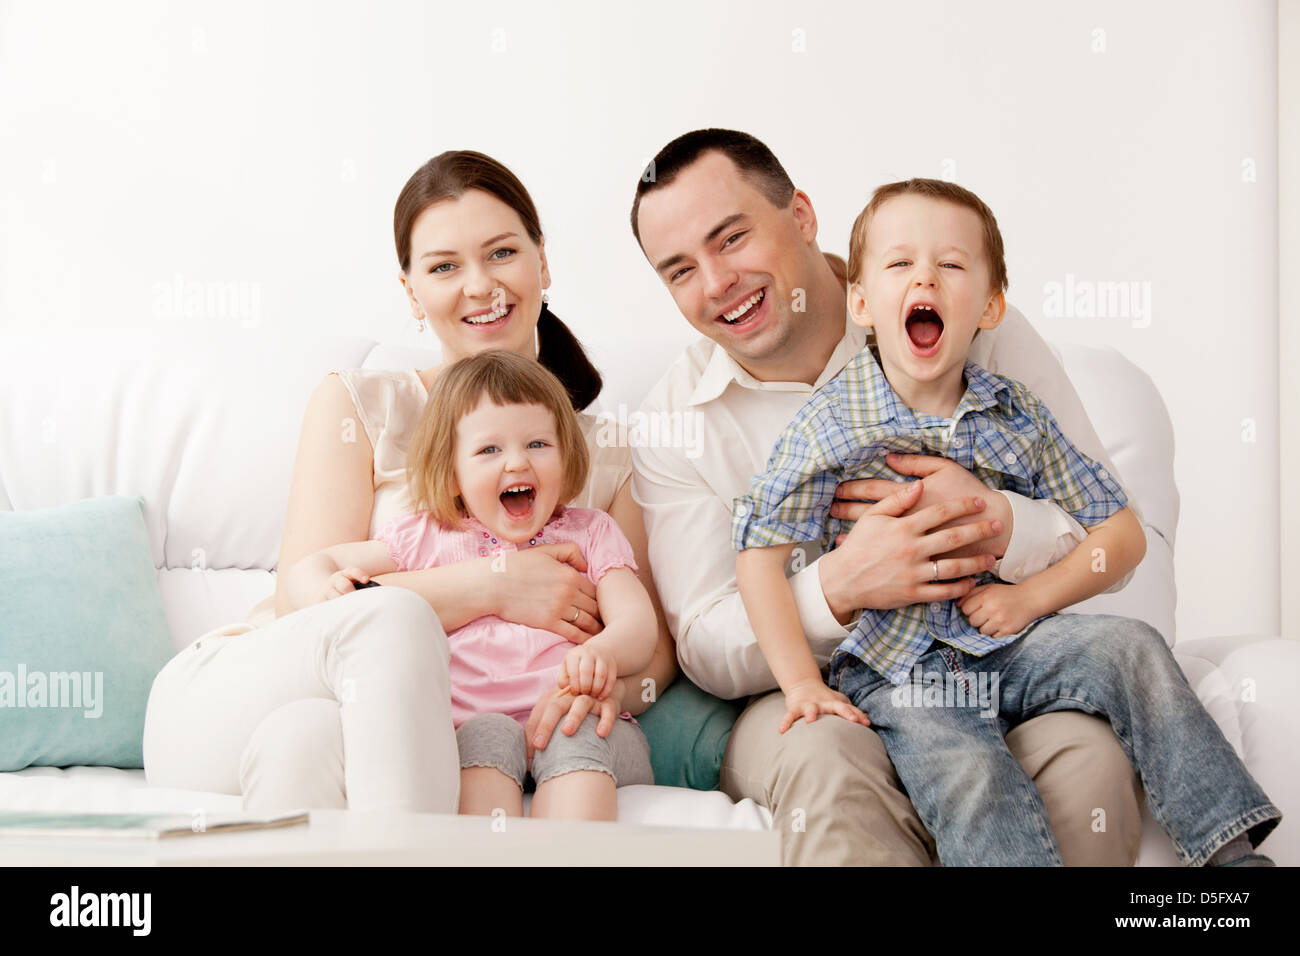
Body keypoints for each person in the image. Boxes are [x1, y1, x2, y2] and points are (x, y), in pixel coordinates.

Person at [629, 128, 1145, 866]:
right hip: (803, 695)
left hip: (984, 652)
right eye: (680, 270)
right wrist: (837, 588)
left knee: (1086, 759)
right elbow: (707, 641)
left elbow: (1112, 542)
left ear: (802, 215)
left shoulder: (954, 307)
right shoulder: (672, 424)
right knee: (832, 769)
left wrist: (997, 521)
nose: (716, 284)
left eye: (732, 238)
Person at [730, 178, 1280, 865]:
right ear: (863, 302)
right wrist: (802, 684)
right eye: (900, 264)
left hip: (1011, 646)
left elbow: (1121, 534)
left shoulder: (1016, 414)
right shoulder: (830, 422)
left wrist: (1028, 598)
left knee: (1133, 647)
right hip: (901, 669)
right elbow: (756, 552)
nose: (925, 275)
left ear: (989, 307)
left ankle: (1233, 858)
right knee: (973, 770)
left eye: (952, 265)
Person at [143, 151, 678, 812]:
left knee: (305, 746)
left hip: (365, 725)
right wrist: (496, 586)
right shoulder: (361, 404)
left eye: (502, 253)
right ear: (411, 292)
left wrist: (584, 695)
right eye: (445, 266)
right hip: (246, 689)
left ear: (543, 261)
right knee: (383, 632)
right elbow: (304, 602)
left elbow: (652, 655)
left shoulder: (602, 455)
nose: (480, 286)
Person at [285, 350, 657, 820]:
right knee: (480, 739)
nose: (517, 463)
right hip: (470, 728)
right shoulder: (426, 534)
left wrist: (604, 652)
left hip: (581, 719)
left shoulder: (590, 531)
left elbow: (638, 626)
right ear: (453, 472)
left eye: (538, 444)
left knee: (575, 730)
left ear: (566, 455)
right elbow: (317, 563)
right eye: (489, 450)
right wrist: (325, 588)